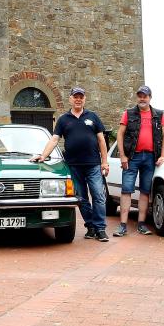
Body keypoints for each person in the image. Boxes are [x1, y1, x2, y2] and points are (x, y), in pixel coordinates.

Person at [31, 87, 110, 242]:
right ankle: (90, 226)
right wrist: (43, 155)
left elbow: (101, 140)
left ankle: (100, 229)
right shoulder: (63, 119)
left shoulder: (93, 117)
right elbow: (54, 140)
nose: (78, 99)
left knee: (98, 196)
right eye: (75, 97)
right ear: (70, 99)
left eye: (81, 97)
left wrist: (105, 162)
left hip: (93, 164)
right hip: (73, 166)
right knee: (80, 198)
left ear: (84, 99)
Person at [113, 85, 164, 236]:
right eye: (140, 95)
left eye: (145, 96)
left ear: (150, 97)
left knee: (145, 191)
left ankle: (141, 224)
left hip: (150, 157)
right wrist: (122, 155)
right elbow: (120, 134)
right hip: (132, 157)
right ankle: (123, 225)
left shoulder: (159, 114)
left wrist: (163, 155)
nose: (142, 98)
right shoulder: (128, 114)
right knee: (126, 190)